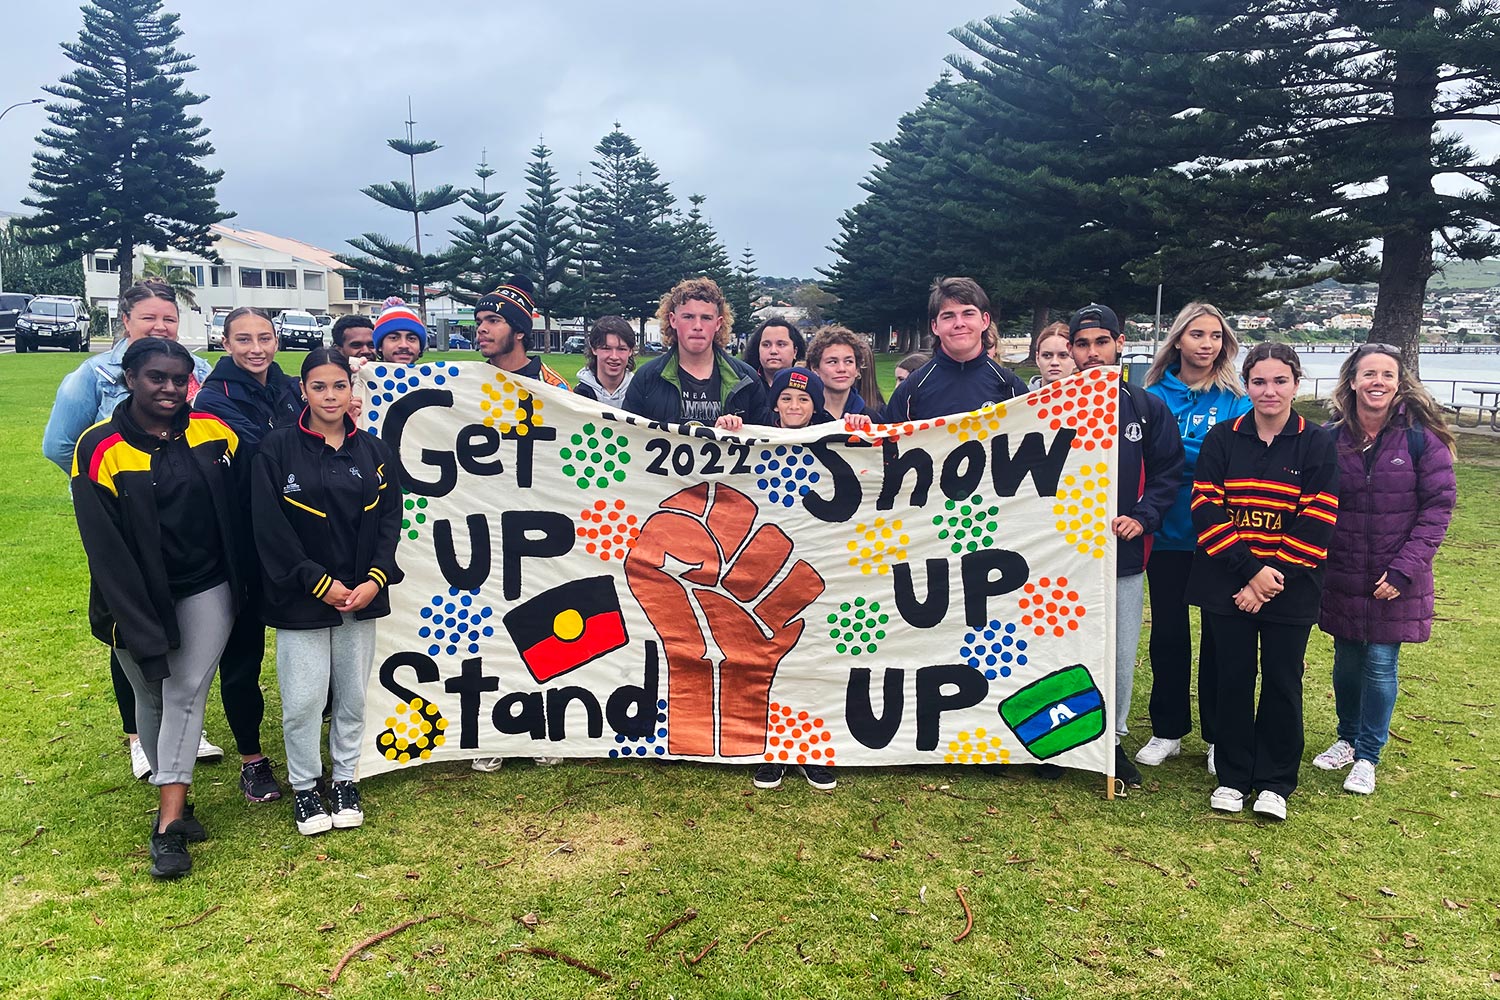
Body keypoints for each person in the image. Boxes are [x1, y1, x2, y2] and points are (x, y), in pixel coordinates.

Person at [71, 338, 242, 878]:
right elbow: (105, 549)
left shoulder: (215, 433)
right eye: (156, 378)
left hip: (209, 585)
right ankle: (180, 798)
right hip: (133, 594)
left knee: (184, 692)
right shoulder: (98, 448)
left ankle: (167, 826)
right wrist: (138, 623)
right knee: (151, 696)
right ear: (129, 378)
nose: (169, 388)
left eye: (178, 378)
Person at [42, 280, 217, 780]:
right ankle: (140, 736)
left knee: (190, 629)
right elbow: (59, 445)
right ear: (125, 321)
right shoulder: (90, 377)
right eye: (149, 318)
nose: (161, 326)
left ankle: (183, 727)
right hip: (125, 518)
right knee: (132, 619)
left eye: (169, 319)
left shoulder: (197, 372)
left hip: (185, 517)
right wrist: (110, 491)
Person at [252, 348, 404, 835]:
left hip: (361, 597)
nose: (330, 395)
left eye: (339, 385)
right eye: (319, 386)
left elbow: (389, 522)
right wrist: (317, 582)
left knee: (352, 699)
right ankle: (304, 787)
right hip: (301, 597)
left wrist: (374, 579)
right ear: (303, 391)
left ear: (351, 390)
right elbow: (269, 528)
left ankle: (344, 780)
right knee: (303, 699)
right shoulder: (276, 449)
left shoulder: (374, 450)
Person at [1189, 343, 1338, 821]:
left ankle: (1274, 781)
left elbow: (1319, 517)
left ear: (1296, 383)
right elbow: (1206, 509)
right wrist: (1250, 572)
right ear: (1246, 384)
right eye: (1259, 381)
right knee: (1231, 678)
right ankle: (1233, 775)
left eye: (1279, 381)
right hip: (1227, 581)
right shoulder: (1221, 437)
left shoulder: (1316, 442)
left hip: (1291, 586)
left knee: (1281, 680)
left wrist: (1271, 578)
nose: (1268, 391)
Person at [1313, 343, 1456, 795]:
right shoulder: (1329, 438)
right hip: (1343, 571)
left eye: (1387, 375)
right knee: (1347, 660)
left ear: (1399, 384)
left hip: (1396, 576)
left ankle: (1368, 754)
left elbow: (1437, 510)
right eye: (1368, 373)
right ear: (1352, 381)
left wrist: (1403, 572)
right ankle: (1346, 738)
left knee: (1379, 662)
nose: (1377, 382)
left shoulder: (1420, 440)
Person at [1066, 304, 1184, 789]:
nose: (1092, 354)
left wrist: (1142, 516)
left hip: (1122, 552)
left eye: (1101, 343)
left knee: (1118, 645)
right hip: (1059, 554)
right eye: (1082, 344)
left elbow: (1168, 472)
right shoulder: (1050, 405)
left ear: (1119, 343)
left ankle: (1112, 738)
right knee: (1062, 643)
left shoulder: (1145, 406)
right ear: (1071, 350)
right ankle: (1065, 736)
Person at [188, 307, 302, 802]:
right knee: (242, 655)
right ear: (226, 343)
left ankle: (336, 744)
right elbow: (266, 451)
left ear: (276, 340)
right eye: (244, 339)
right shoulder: (213, 397)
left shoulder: (293, 386)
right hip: (242, 538)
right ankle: (253, 760)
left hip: (302, 534)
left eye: (265, 337)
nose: (256, 348)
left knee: (323, 642)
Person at [1136, 304, 1252, 775]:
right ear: (1177, 341)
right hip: (1166, 530)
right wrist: (1195, 454)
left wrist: (1180, 454)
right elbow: (1144, 451)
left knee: (1219, 637)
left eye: (1216, 336)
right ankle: (1167, 729)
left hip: (1220, 532)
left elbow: (1235, 456)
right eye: (1197, 334)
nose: (1207, 344)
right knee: (1167, 633)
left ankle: (1216, 734)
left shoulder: (1235, 397)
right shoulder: (1152, 393)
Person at [470, 275, 568, 772]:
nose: (481, 329)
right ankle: (490, 729)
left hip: (540, 525)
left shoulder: (554, 387)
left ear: (519, 330)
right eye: (480, 320)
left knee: (542, 621)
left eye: (493, 321)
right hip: (482, 524)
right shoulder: (466, 384)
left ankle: (542, 724)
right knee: (487, 624)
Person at [622, 277, 770, 430]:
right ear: (673, 320)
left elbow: (764, 441)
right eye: (688, 317)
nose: (697, 326)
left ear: (718, 323)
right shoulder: (647, 378)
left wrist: (738, 430)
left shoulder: (746, 380)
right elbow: (628, 438)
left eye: (706, 318)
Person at [882, 277, 1028, 420]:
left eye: (968, 314)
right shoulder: (911, 391)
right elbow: (887, 441)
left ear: (985, 321)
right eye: (948, 316)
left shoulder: (1011, 387)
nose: (959, 323)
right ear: (935, 327)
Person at [806, 326, 878, 421]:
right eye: (832, 362)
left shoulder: (871, 419)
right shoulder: (803, 416)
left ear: (857, 369)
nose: (841, 369)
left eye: (848, 361)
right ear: (815, 368)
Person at [573, 315, 636, 407]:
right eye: (606, 348)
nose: (614, 356)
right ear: (594, 349)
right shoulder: (579, 396)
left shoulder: (641, 395)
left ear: (630, 351)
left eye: (621, 349)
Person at [743, 317, 804, 387]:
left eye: (781, 344)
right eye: (766, 345)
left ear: (795, 351)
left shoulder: (808, 387)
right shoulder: (745, 385)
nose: (773, 351)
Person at [373, 298, 425, 366]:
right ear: (380, 346)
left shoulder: (434, 375)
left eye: (411, 339)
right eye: (394, 338)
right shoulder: (362, 374)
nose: (404, 345)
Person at [1027, 322, 1077, 389]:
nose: (1054, 362)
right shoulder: (1019, 396)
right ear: (1037, 358)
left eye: (1063, 355)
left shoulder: (1088, 397)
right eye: (1047, 355)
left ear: (1075, 360)